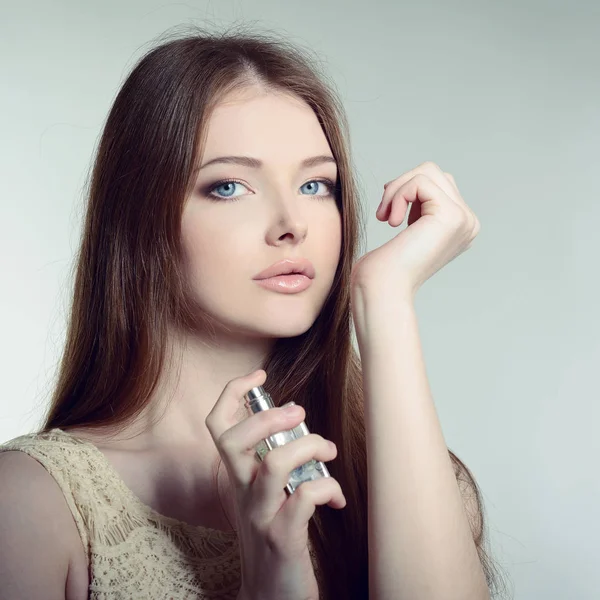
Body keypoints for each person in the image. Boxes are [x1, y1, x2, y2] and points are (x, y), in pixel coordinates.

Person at [0, 26, 508, 600]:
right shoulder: (32, 505)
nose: (293, 222)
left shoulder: (405, 477)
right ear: (139, 218)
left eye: (317, 184)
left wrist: (382, 297)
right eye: (230, 187)